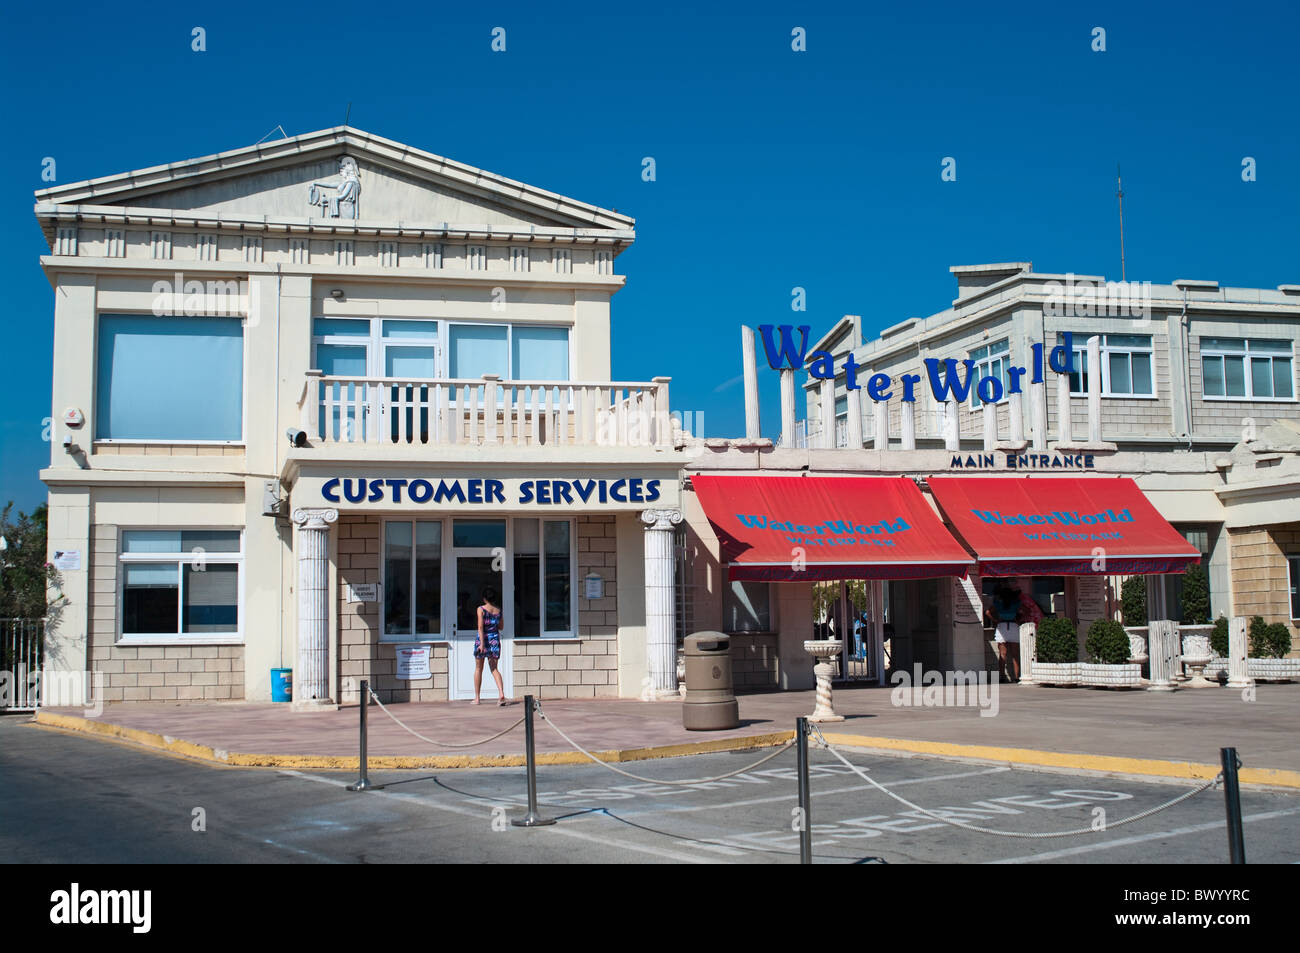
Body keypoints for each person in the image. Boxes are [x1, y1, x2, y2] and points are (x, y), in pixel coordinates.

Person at [473, 588, 508, 706]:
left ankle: (477, 698)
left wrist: (482, 644)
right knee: (494, 668)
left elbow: (480, 627)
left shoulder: (481, 609)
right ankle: (501, 693)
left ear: (484, 598)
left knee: (478, 669)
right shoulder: (498, 610)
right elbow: (501, 627)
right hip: (494, 641)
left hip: (482, 640)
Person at [992, 585, 1021, 682]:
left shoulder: (999, 604)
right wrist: (1019, 620)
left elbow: (987, 612)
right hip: (1013, 625)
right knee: (1015, 655)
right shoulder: (1015, 603)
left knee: (1002, 654)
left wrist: (995, 620)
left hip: (1002, 625)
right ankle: (1016, 677)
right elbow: (1026, 610)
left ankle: (1002, 677)